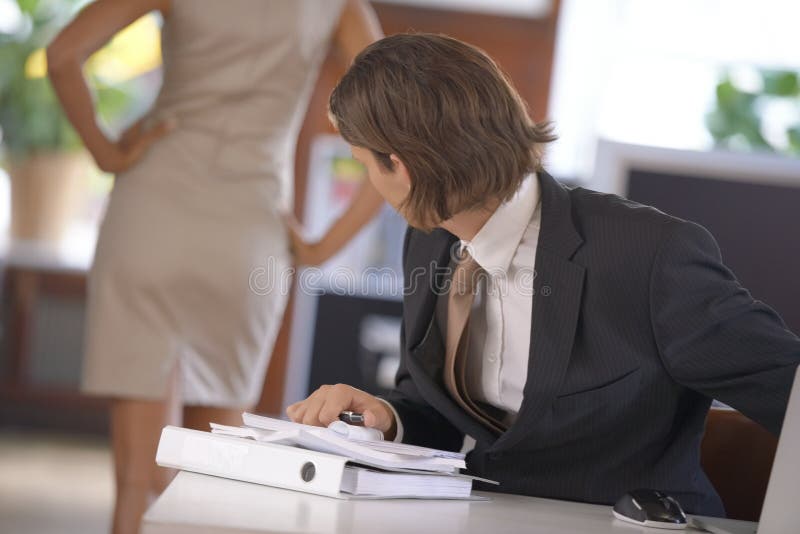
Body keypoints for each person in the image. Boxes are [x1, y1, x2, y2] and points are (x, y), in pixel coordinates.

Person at [287, 33, 800, 517]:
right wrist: (386, 416)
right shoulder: (430, 240)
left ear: (401, 168)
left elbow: (787, 385)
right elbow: (433, 406)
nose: (375, 187)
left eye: (366, 166)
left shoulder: (648, 255)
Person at [47, 1, 382, 533]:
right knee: (208, 485)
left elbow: (63, 54)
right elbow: (397, 126)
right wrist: (319, 248)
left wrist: (106, 154)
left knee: (137, 481)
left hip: (151, 215)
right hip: (249, 231)